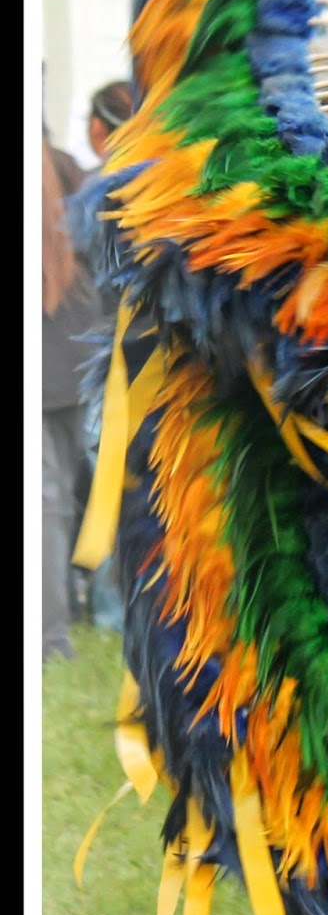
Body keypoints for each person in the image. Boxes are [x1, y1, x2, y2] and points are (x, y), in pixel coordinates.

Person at [78, 81, 137, 633]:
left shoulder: (97, 193)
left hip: (108, 365)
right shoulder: (161, 187)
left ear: (100, 129)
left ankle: (110, 616)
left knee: (109, 495)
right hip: (148, 363)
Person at [41, 130, 102, 661]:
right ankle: (69, 628)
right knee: (66, 499)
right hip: (76, 350)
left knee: (48, 506)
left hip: (57, 354)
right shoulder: (67, 169)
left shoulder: (59, 169)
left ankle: (50, 638)